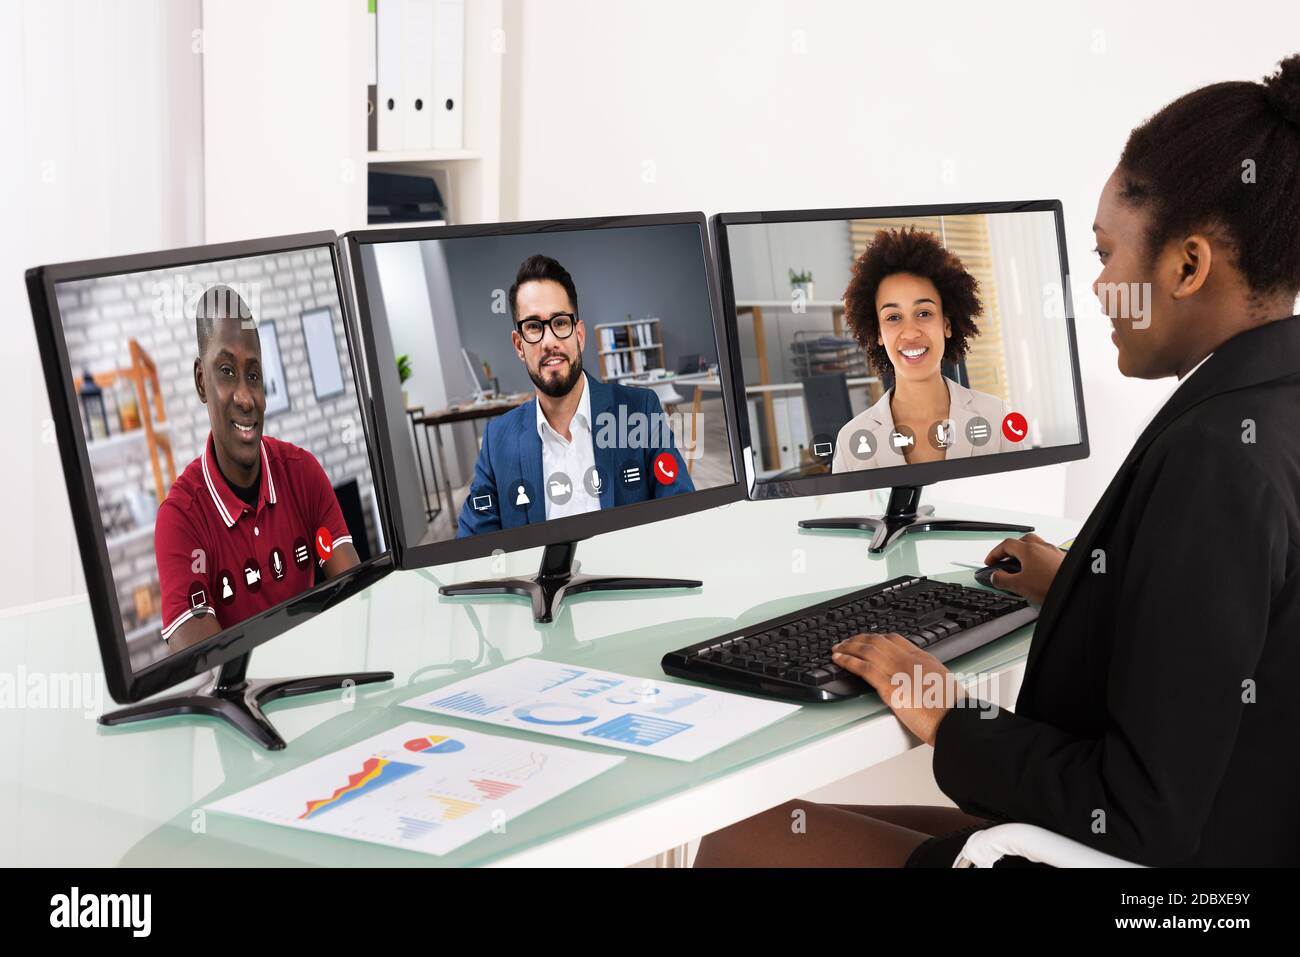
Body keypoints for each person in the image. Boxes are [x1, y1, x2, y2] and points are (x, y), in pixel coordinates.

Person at [696, 54, 1300, 867]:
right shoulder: (1269, 409)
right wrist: (1090, 585)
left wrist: (944, 710)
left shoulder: (1218, 460)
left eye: (1105, 255)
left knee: (744, 841)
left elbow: (1138, 809)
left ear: (1187, 266)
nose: (1097, 288)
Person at [154, 285, 359, 652]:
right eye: (227, 371)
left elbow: (357, 603)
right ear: (202, 381)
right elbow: (208, 668)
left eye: (253, 375)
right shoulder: (180, 521)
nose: (246, 398)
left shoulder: (303, 473)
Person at [456, 254, 693, 537]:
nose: (549, 342)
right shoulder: (497, 441)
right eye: (533, 327)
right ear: (519, 345)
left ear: (579, 335)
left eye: (560, 323)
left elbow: (683, 515)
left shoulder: (639, 411)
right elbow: (471, 547)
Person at [832, 227, 1011, 472]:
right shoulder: (850, 441)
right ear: (878, 334)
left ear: (946, 324)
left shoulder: (997, 416)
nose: (911, 332)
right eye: (893, 317)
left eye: (924, 313)